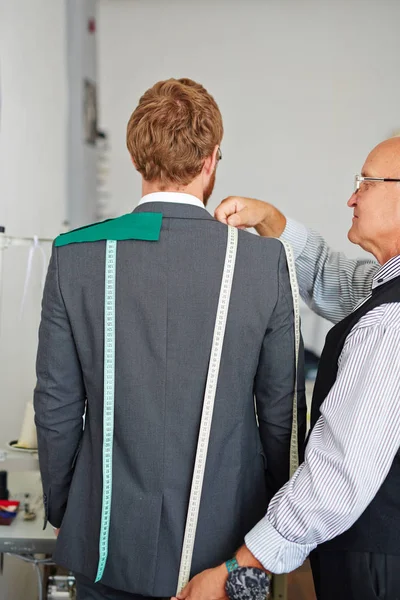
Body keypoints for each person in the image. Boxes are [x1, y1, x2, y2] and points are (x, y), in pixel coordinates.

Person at [33, 78, 305, 600]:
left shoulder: (76, 256)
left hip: (106, 542)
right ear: (211, 160)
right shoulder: (265, 262)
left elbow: (57, 405)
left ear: (137, 159)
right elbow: (281, 414)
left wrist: (72, 510)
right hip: (227, 551)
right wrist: (271, 539)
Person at [177, 136, 400, 600]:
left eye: (366, 182)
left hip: (379, 570)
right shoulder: (385, 293)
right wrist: (269, 219)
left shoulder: (390, 324)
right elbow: (329, 277)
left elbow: (338, 476)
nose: (352, 196)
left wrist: (239, 569)